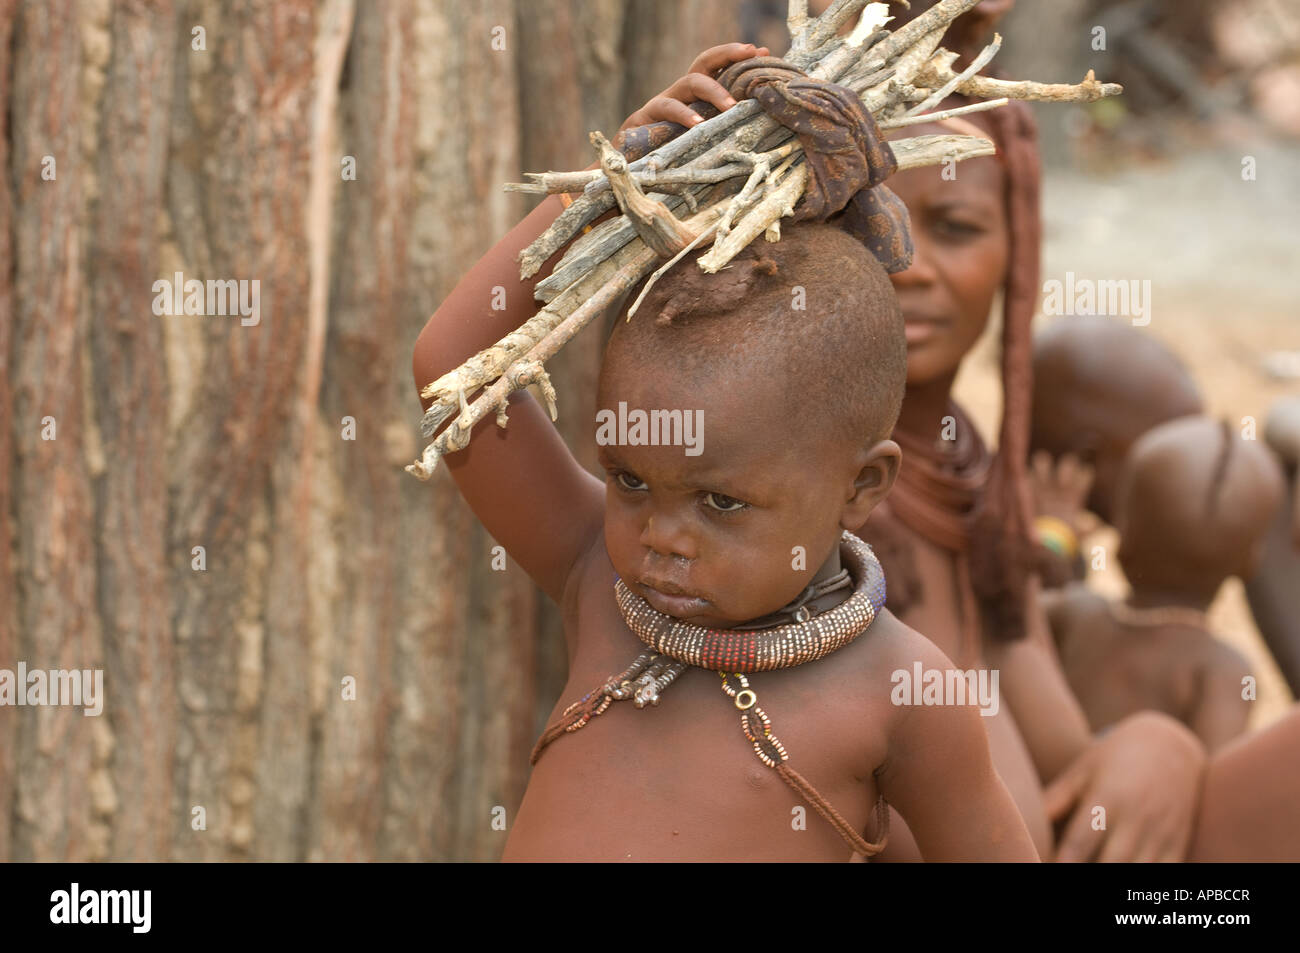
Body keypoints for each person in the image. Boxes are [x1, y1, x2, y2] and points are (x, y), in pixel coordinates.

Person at [411, 44, 1037, 862]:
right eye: (630, 480)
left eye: (721, 502)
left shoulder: (901, 692)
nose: (661, 535)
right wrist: (616, 185)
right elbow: (452, 371)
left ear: (863, 485)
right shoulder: (597, 576)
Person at [1045, 416, 1284, 752]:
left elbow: (1012, 613)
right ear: (1250, 564)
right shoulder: (1223, 671)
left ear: (1121, 535)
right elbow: (1215, 781)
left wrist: (1054, 533)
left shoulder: (1074, 611)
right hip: (1145, 806)